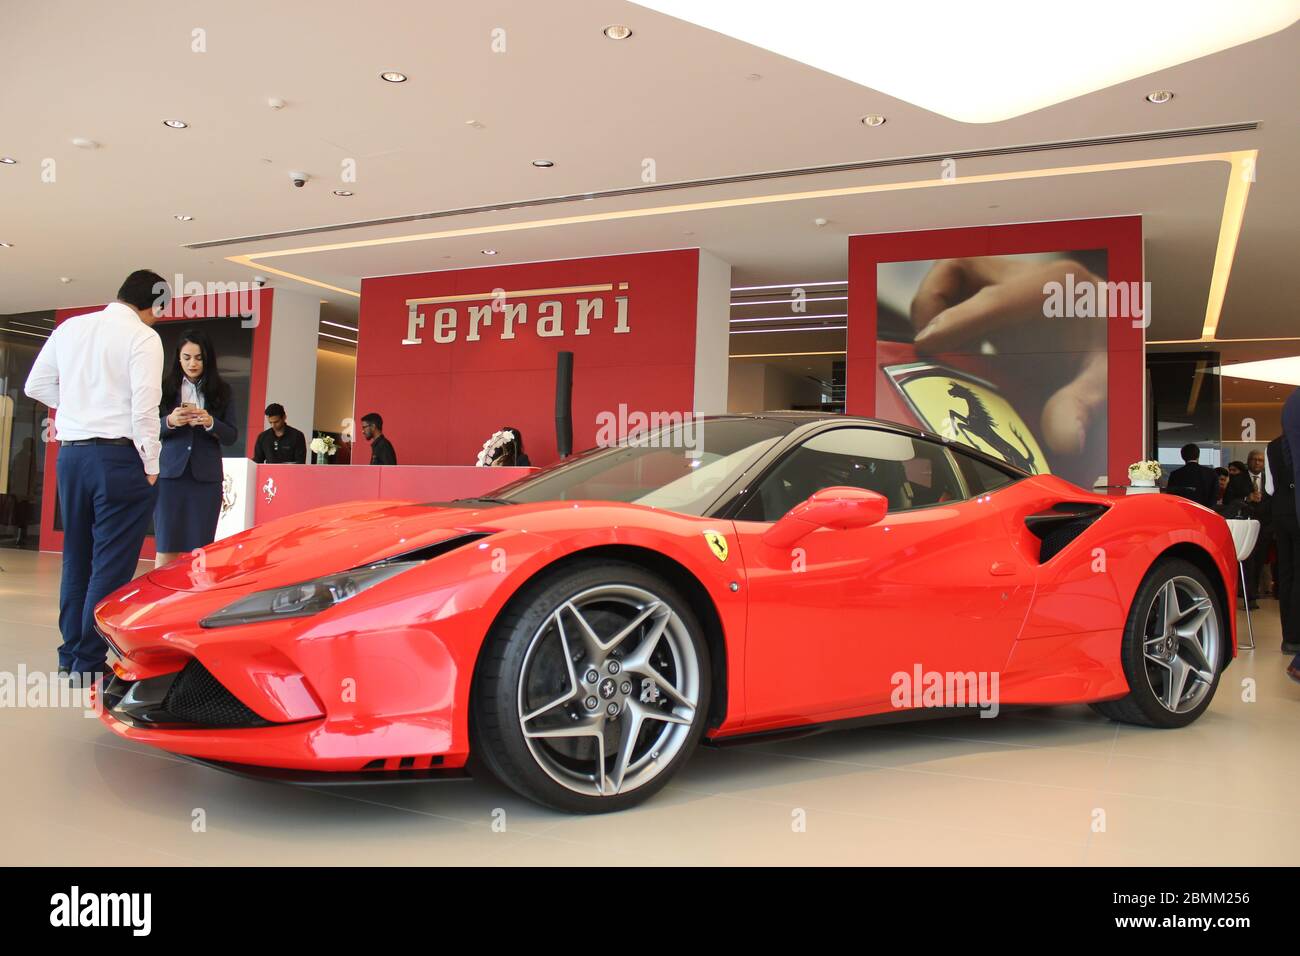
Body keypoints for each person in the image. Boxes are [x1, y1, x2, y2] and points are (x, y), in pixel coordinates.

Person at [23, 269, 168, 686]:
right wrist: (152, 464)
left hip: (71, 458)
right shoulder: (143, 338)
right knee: (111, 563)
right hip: (118, 458)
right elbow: (144, 410)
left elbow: (36, 385)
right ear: (154, 303)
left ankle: (71, 655)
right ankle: (87, 659)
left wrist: (75, 409)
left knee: (77, 558)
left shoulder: (71, 327)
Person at [155, 329, 240, 567]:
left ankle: (192, 601)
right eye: (187, 357)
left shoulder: (222, 391)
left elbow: (231, 435)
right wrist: (171, 421)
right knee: (167, 546)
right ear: (178, 359)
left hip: (205, 479)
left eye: (199, 357)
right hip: (171, 477)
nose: (192, 363)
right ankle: (163, 603)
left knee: (200, 551)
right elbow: (149, 428)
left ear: (207, 358)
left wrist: (211, 422)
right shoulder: (164, 388)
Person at [1166, 443, 1217, 508]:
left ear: (1182, 457)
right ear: (1198, 455)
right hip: (1204, 512)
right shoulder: (1210, 473)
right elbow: (1214, 495)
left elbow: (1171, 496)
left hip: (1183, 512)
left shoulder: (1175, 474)